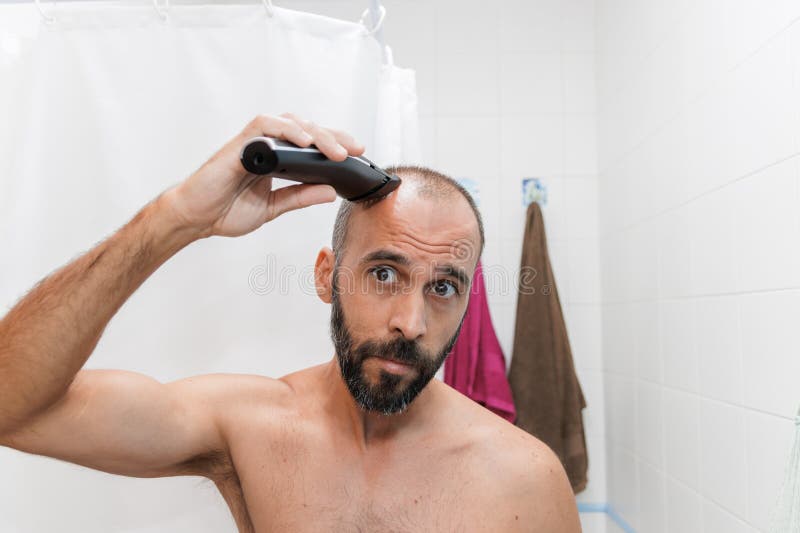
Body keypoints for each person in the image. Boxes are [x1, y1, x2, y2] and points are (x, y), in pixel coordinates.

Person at [0, 112, 581, 532]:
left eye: (444, 287)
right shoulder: (248, 428)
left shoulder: (523, 478)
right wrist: (176, 219)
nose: (411, 321)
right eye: (384, 273)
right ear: (327, 275)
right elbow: (12, 407)